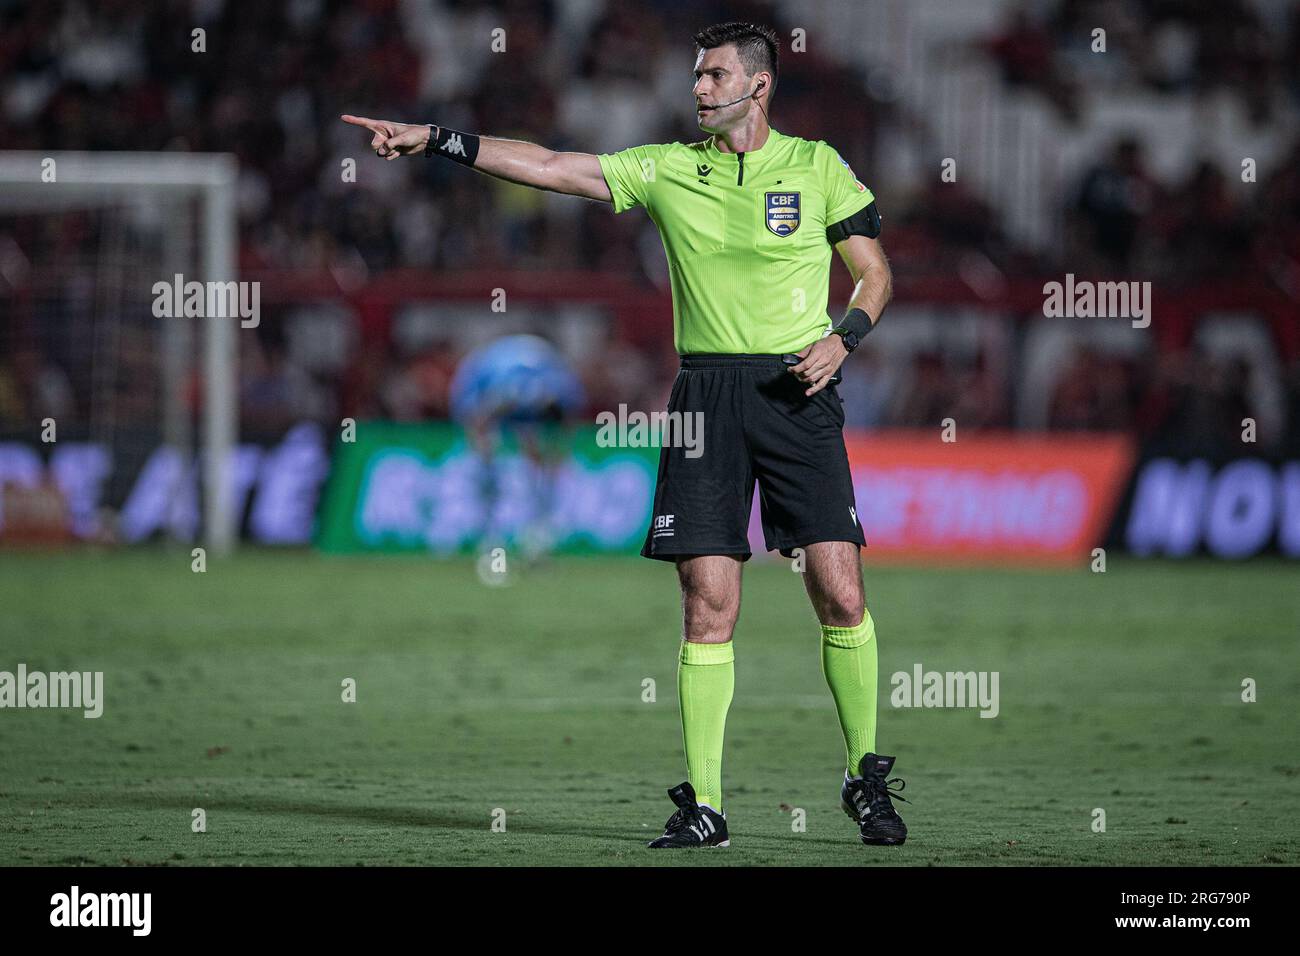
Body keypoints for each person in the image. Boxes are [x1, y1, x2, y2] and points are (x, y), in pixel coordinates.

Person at [343, 19, 905, 849]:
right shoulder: (668, 169)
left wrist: (844, 337)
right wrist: (436, 140)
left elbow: (875, 274)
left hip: (799, 392)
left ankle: (864, 777)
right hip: (706, 395)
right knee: (707, 603)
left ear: (759, 85)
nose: (698, 88)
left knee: (840, 591)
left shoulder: (818, 167)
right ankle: (707, 805)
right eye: (696, 75)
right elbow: (550, 164)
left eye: (714, 76)